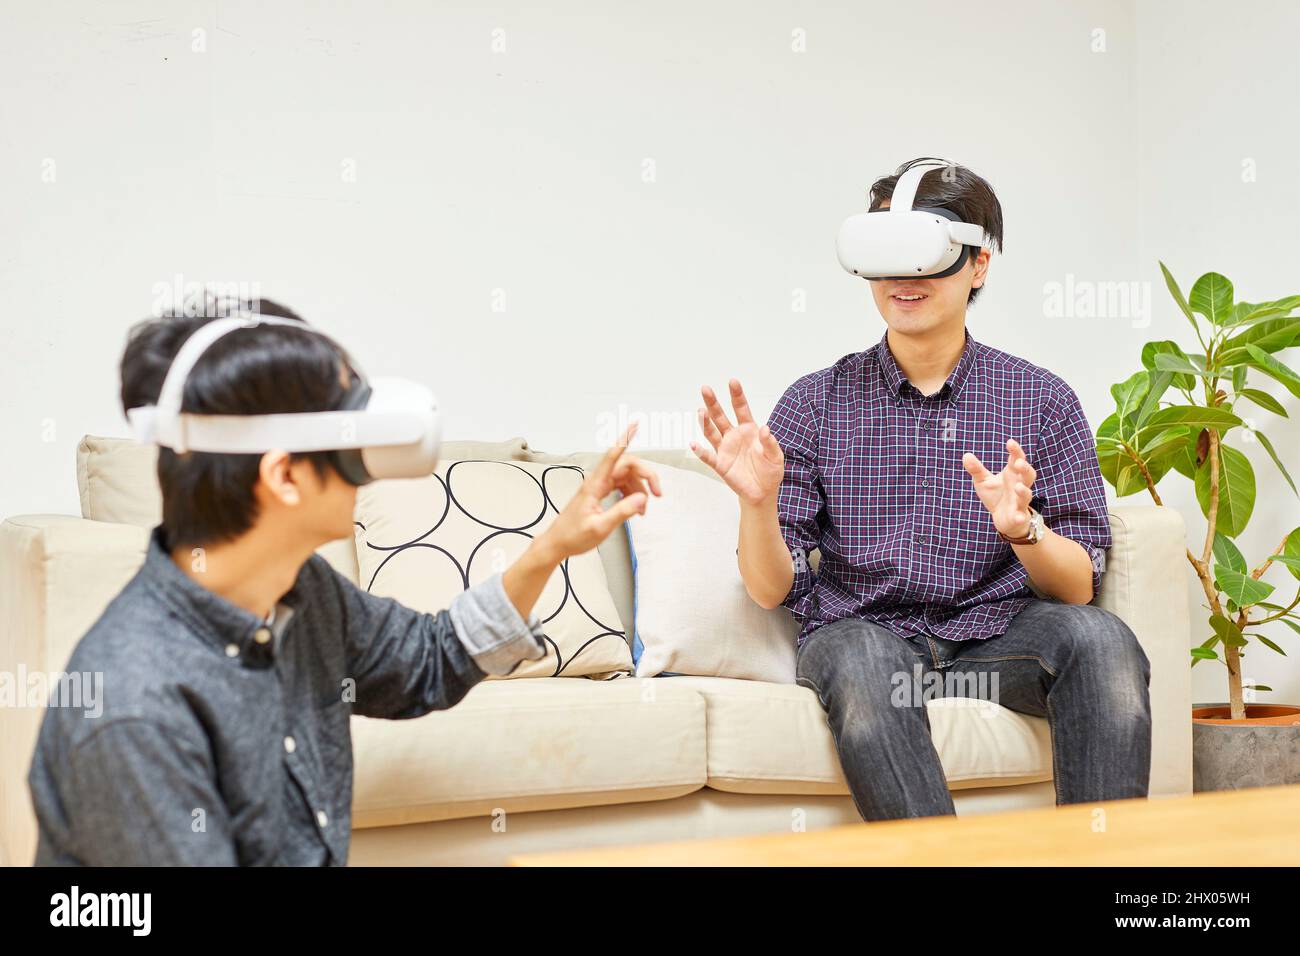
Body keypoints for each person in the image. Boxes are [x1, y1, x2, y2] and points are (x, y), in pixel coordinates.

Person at [28, 298, 660, 864]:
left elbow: (431, 658)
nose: (367, 470)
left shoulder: (302, 594)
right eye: (347, 438)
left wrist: (552, 546)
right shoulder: (137, 710)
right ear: (284, 477)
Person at [691, 157, 1151, 821]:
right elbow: (771, 588)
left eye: (925, 255)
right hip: (862, 637)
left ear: (978, 264)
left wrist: (1023, 529)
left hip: (996, 643)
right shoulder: (816, 401)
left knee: (1102, 641)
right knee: (860, 659)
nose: (904, 280)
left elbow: (1078, 588)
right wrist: (756, 505)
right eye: (886, 257)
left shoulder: (1042, 400)